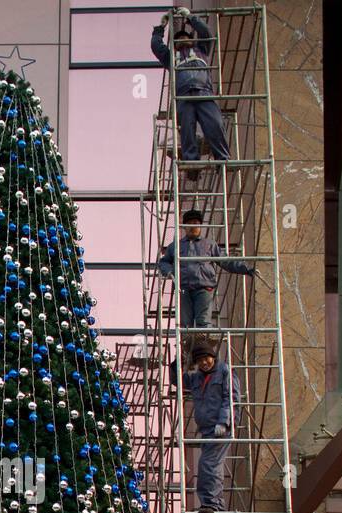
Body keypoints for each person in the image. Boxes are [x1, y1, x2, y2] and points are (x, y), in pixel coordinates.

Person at [157, 209, 256, 345]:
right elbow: (163, 262)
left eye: (196, 223)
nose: (193, 227)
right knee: (185, 322)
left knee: (203, 320)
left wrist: (246, 269)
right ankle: (186, 349)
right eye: (190, 224)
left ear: (200, 226)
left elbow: (225, 261)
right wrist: (169, 272)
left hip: (204, 286)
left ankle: (203, 347)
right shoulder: (175, 246)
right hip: (183, 287)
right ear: (184, 226)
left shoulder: (209, 244)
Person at [150, 7, 229, 174]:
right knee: (186, 130)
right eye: (179, 39)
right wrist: (161, 27)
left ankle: (222, 160)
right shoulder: (171, 57)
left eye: (185, 37)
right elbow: (156, 46)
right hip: (184, 97)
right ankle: (192, 163)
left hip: (203, 93)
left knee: (214, 124)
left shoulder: (201, 49)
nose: (183, 40)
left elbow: (205, 32)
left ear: (191, 40)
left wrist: (190, 18)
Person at [183, 339, 240, 511]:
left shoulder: (224, 371)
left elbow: (231, 398)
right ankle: (210, 504)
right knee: (208, 465)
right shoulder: (198, 377)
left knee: (209, 465)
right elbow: (181, 381)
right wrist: (177, 363)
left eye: (206, 358)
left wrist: (224, 421)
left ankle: (212, 505)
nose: (203, 363)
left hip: (220, 429)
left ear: (212, 357)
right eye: (199, 360)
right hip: (207, 430)